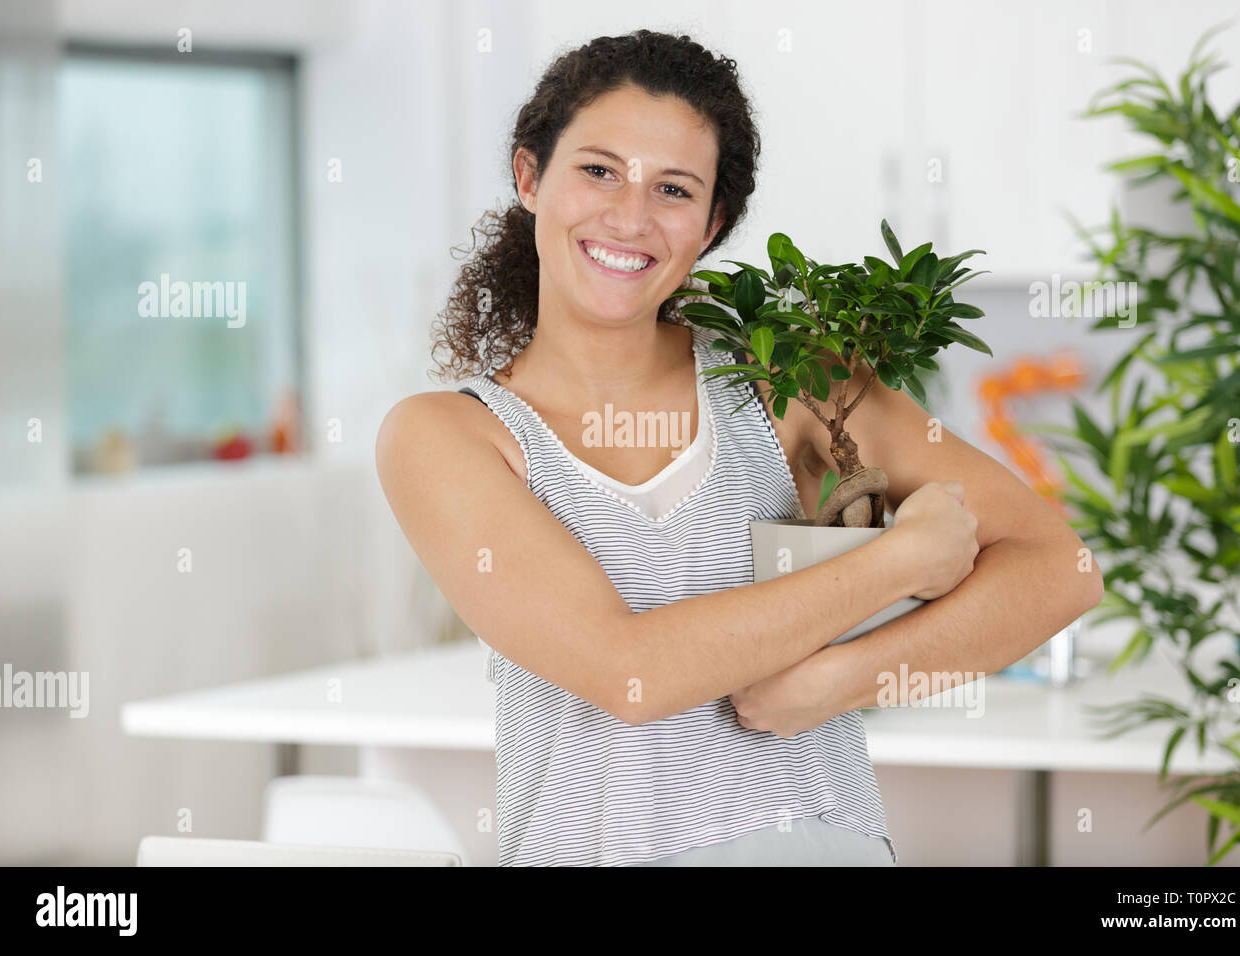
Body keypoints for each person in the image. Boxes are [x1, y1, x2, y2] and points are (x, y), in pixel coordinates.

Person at [377, 30, 1098, 866]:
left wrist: (841, 681)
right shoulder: (451, 436)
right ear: (530, 177)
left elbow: (1059, 569)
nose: (630, 216)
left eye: (674, 189)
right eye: (598, 170)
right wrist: (901, 560)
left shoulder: (786, 383)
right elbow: (627, 672)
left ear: (712, 223)